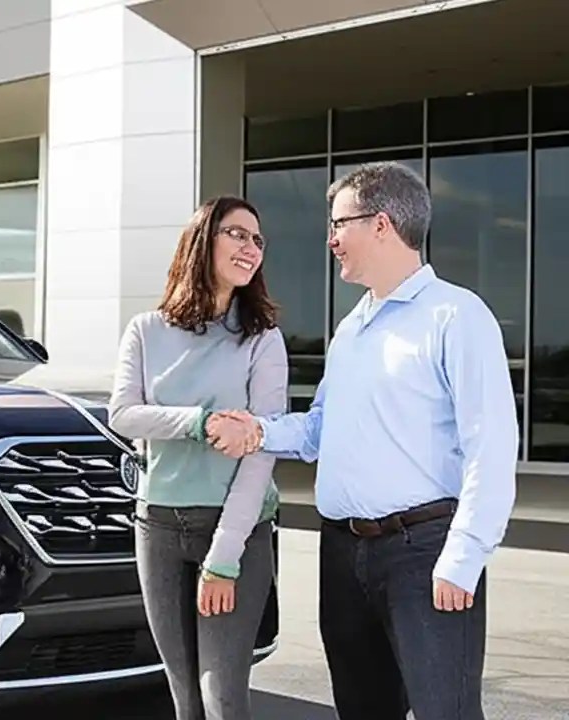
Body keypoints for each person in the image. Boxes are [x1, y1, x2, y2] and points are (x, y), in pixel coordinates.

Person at [207, 162, 518, 720]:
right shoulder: (353, 328)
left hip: (423, 554)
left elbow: (490, 447)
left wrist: (464, 555)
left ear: (381, 224)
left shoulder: (457, 316)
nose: (330, 240)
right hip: (344, 555)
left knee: (444, 710)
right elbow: (322, 427)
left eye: (338, 224)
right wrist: (258, 431)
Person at [107, 195, 287, 720]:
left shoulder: (263, 340)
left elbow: (261, 452)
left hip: (236, 529)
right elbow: (123, 414)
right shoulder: (145, 329)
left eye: (257, 240)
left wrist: (225, 556)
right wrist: (198, 423)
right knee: (184, 698)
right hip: (157, 525)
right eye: (237, 233)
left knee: (222, 695)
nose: (250, 247)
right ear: (202, 240)